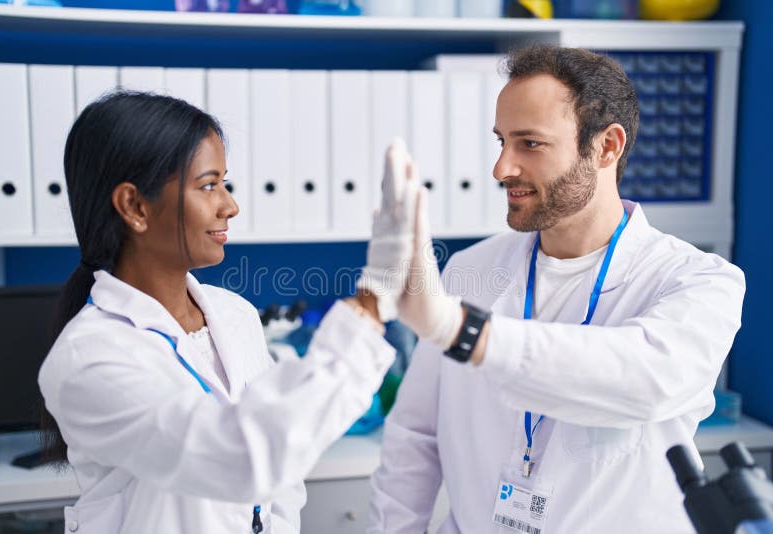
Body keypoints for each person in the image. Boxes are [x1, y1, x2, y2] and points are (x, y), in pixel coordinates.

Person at [366, 45, 746, 533]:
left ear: (607, 146)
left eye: (530, 143)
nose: (501, 168)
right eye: (501, 141)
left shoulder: (698, 280)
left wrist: (463, 331)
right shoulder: (470, 268)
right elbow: (413, 438)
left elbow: (642, 378)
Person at [38, 91, 414, 533]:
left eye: (224, 183)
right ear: (135, 207)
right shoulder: (89, 358)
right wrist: (370, 303)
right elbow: (238, 457)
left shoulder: (233, 314)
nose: (230, 206)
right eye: (208, 185)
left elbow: (281, 480)